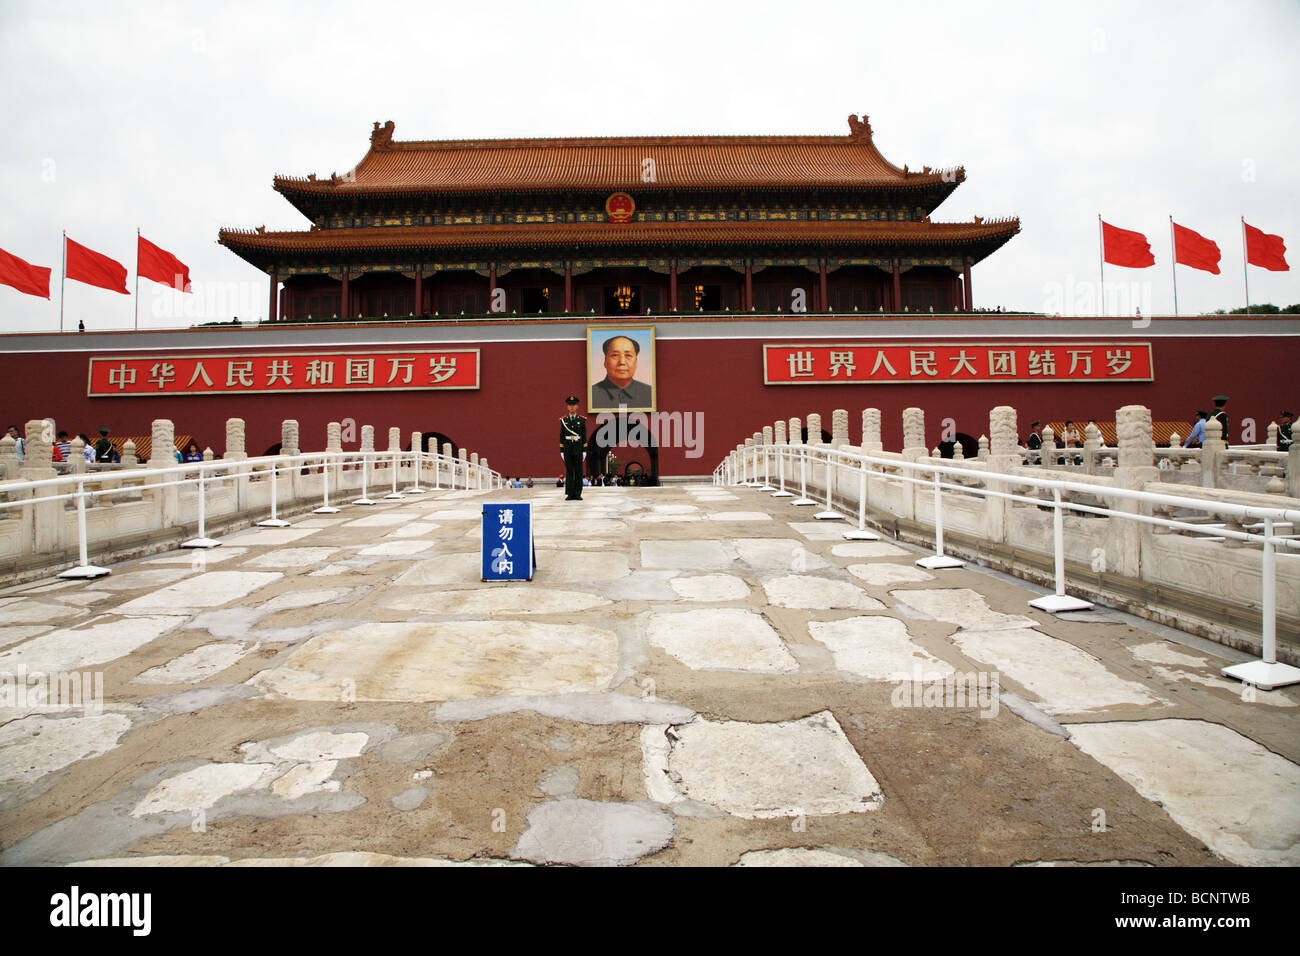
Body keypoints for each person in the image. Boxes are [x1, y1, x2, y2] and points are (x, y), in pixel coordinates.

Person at [591, 335, 652, 408]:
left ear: (636, 362)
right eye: (615, 355)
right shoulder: (591, 394)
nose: (622, 362)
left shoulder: (650, 393)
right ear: (605, 361)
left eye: (628, 355)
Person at [559, 395, 587, 500]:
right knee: (569, 472)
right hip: (567, 449)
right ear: (567, 407)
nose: (571, 407)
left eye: (573, 405)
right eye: (569, 405)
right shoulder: (563, 420)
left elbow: (584, 436)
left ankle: (578, 493)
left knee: (579, 472)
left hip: (578, 449)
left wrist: (584, 451)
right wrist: (562, 451)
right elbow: (561, 437)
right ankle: (570, 493)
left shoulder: (582, 420)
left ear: (577, 407)